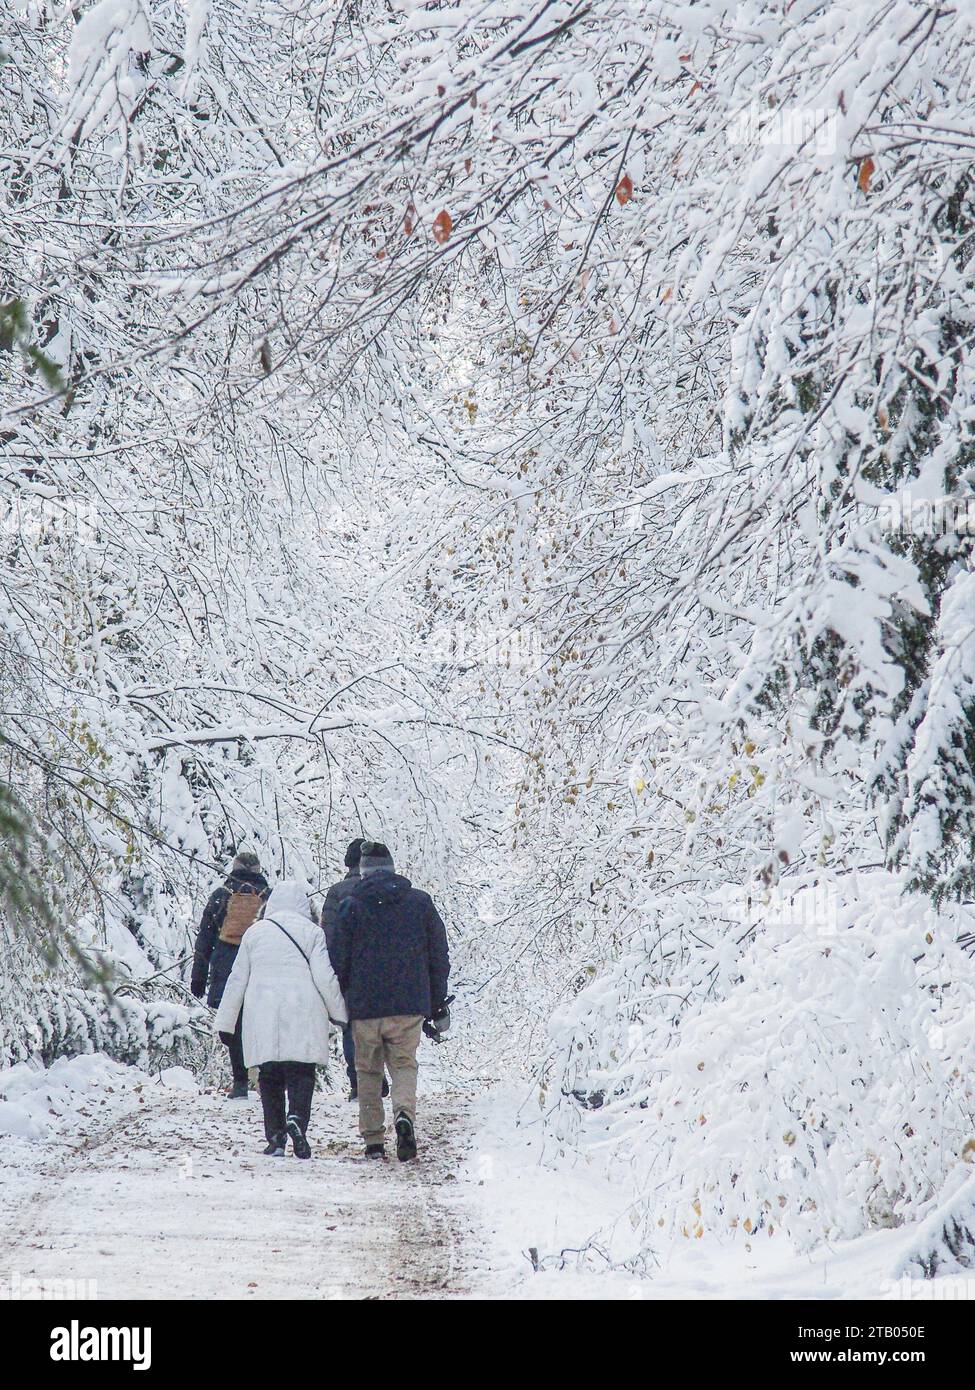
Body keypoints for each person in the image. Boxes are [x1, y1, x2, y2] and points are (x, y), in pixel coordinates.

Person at [331, 840, 450, 1162]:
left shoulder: (350, 905)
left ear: (362, 871)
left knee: (368, 1070)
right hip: (408, 1002)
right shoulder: (419, 903)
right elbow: (438, 955)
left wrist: (343, 997)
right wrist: (437, 1002)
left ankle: (373, 1140)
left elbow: (337, 957)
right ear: (393, 868)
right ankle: (404, 1116)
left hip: (365, 1004)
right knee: (403, 1065)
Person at [214, 880, 347, 1158]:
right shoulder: (312, 933)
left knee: (270, 1075)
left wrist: (226, 1023)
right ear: (303, 905)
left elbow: (237, 979)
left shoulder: (254, 933)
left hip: (262, 1009)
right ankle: (297, 1118)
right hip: (302, 1007)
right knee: (301, 1072)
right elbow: (325, 977)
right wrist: (340, 1014)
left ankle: (275, 1138)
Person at [191, 850, 270, 1098]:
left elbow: (204, 940)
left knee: (233, 1026)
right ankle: (265, 1080)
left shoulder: (221, 896)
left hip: (228, 968)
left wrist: (198, 978)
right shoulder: (269, 898)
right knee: (261, 1023)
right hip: (261, 969)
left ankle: (240, 1082)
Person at [320, 837, 388, 1103]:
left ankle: (358, 1080)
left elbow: (329, 934)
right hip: (380, 969)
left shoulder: (337, 892)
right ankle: (378, 1074)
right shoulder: (383, 888)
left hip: (349, 970)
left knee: (351, 1027)